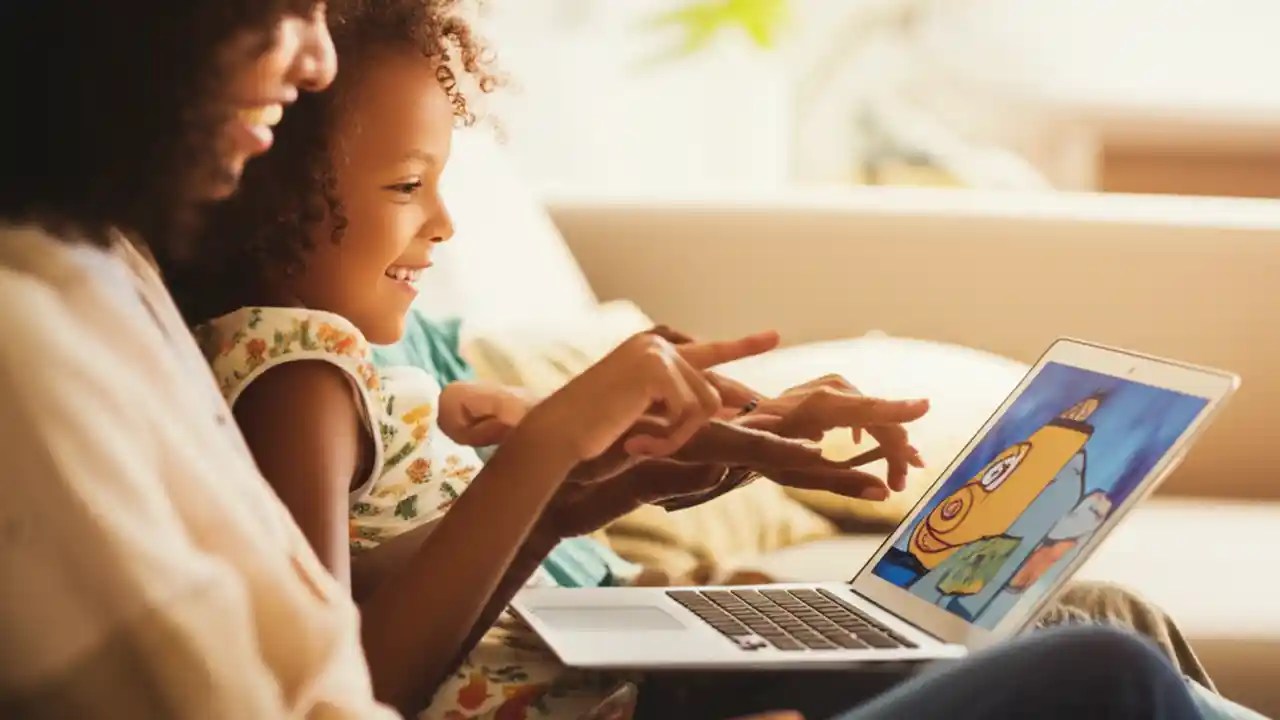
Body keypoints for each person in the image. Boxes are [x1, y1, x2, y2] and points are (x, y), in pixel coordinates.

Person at [0, 2, 1240, 719]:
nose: (439, 225)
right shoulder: (290, 366)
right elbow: (358, 677)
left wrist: (582, 486)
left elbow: (371, 591)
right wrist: (547, 447)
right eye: (403, 187)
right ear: (268, 195)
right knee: (1104, 663)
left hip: (576, 663)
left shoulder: (305, 357)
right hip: (575, 702)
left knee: (1097, 621)